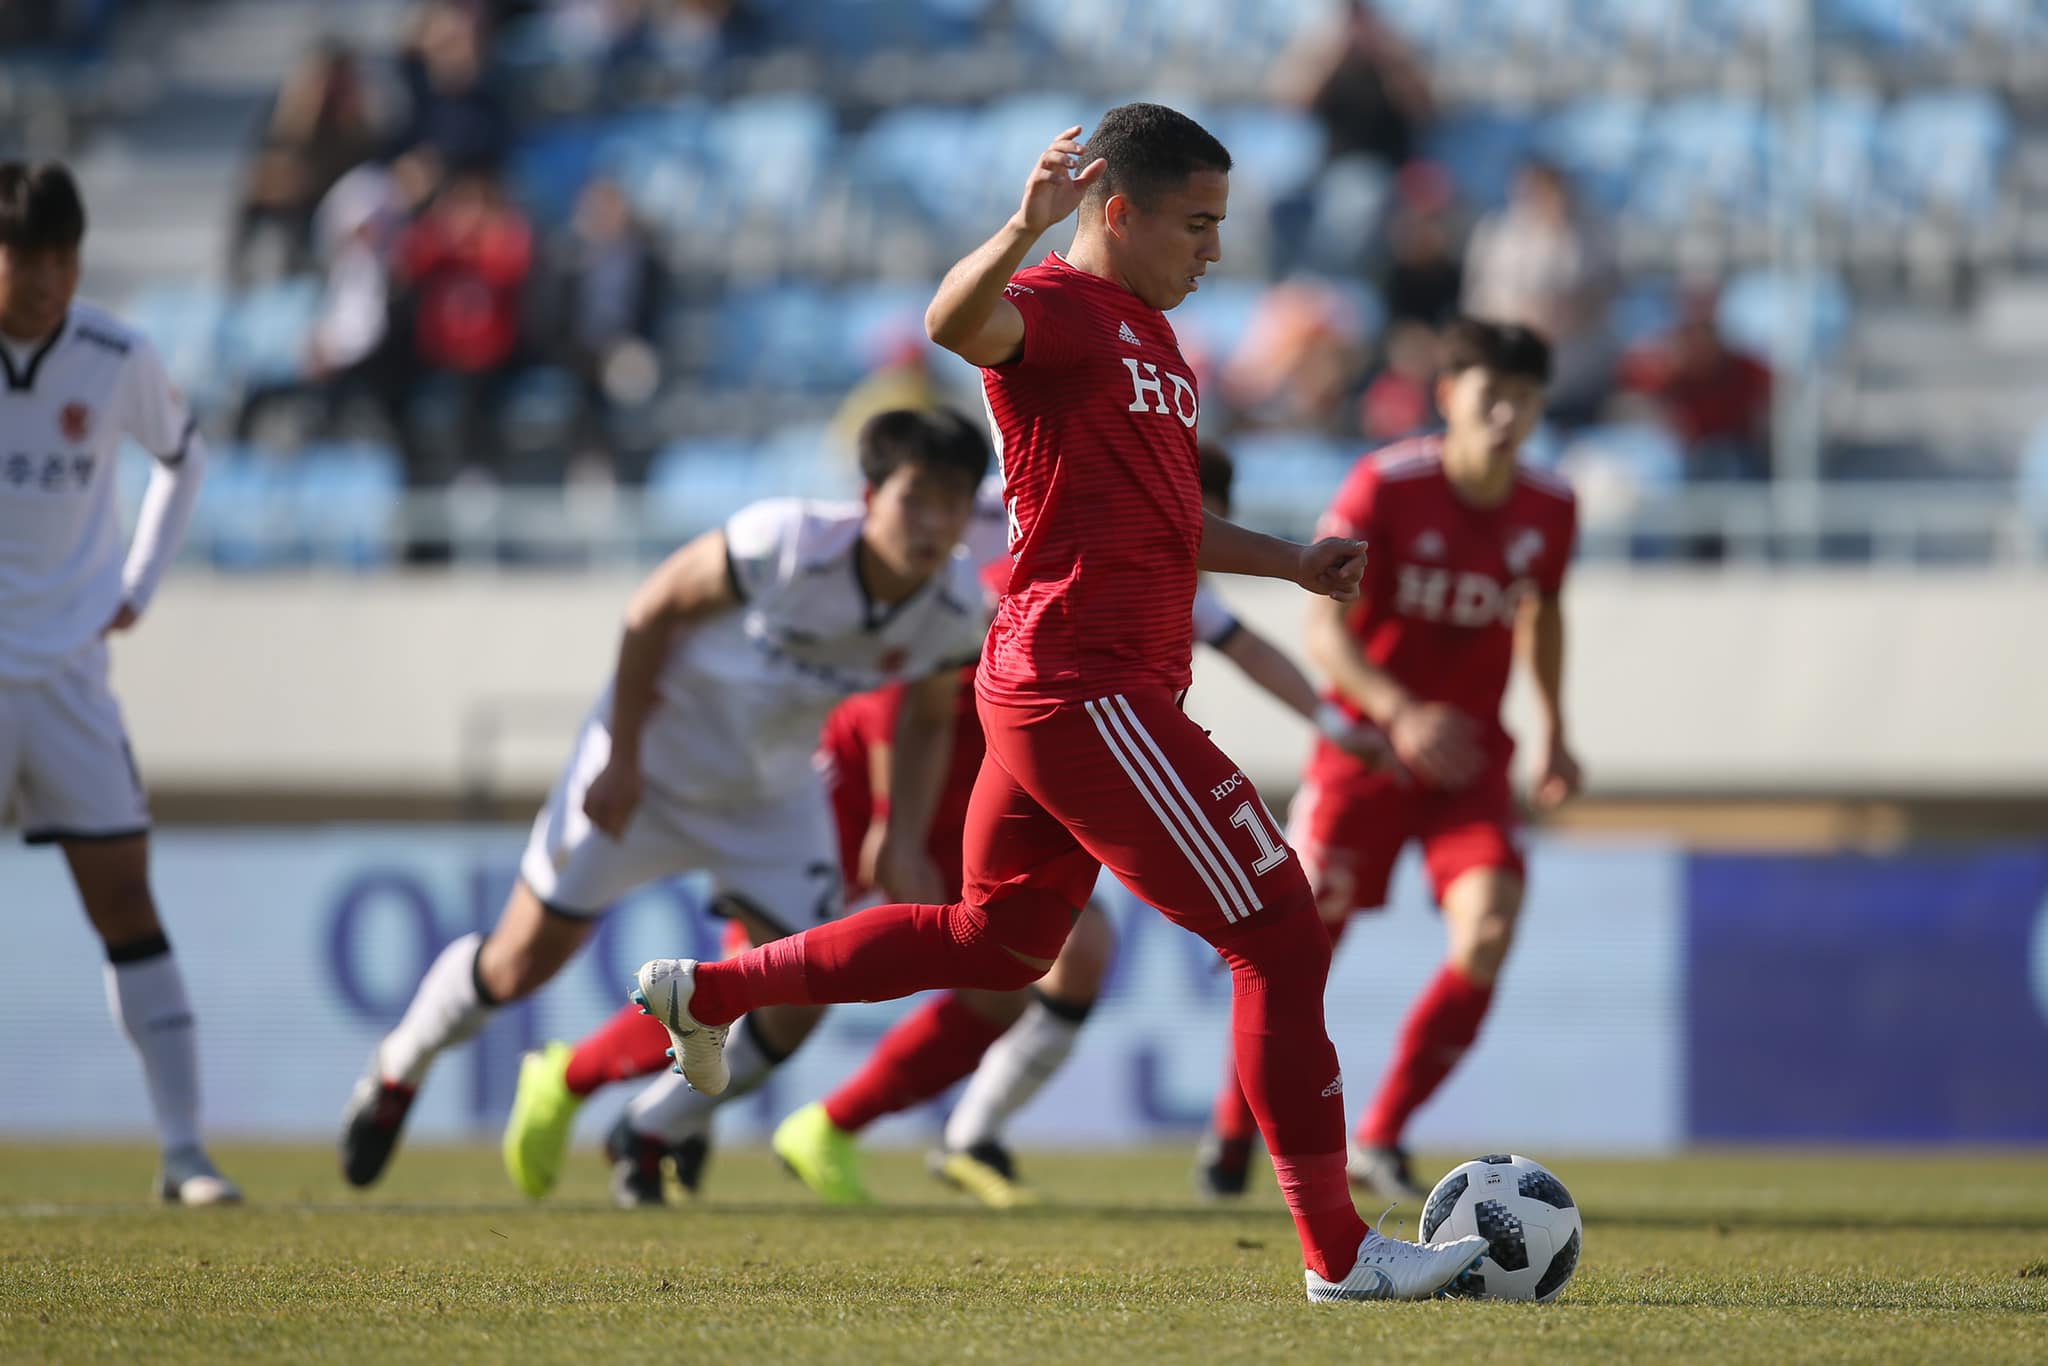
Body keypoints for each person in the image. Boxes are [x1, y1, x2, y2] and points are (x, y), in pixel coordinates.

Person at [626, 103, 1488, 1303]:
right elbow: (950, 322)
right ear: (1115, 211)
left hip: (1058, 688)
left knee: (997, 941)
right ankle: (1340, 1254)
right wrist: (1019, 224)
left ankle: (710, 991)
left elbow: (1165, 519)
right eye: (1196, 223)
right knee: (1278, 930)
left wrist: (1289, 561)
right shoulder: (1057, 306)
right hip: (1086, 686)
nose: (1214, 251)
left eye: (1221, 225)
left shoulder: (1152, 339)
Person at [338, 407, 994, 1189]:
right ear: (868, 495)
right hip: (648, 773)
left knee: (805, 992)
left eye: (954, 502)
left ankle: (650, 1127)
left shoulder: (955, 606)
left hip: (770, 798)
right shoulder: (783, 543)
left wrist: (902, 831)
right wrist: (618, 755)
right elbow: (650, 611)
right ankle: (398, 1066)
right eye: (916, 497)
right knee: (518, 966)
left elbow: (925, 719)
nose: (934, 523)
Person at [770, 443, 1396, 1210]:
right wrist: (892, 821)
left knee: (1032, 959)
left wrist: (1333, 721)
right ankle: (682, 1101)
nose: (1205, 549)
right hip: (916, 784)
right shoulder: (1039, 582)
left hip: (1002, 784)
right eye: (1199, 523)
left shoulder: (1161, 588)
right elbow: (919, 690)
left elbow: (1251, 650)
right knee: (820, 954)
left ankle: (913, 1127)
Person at [1199, 318, 1580, 1205]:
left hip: (1470, 762)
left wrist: (1557, 729)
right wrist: (1399, 710)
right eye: (1491, 396)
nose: (1507, 416)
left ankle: (1383, 1136)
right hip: (1366, 749)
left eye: (1524, 401)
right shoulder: (1386, 484)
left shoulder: (1552, 505)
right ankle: (1230, 1129)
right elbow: (1323, 626)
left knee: (1488, 929)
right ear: (1448, 397)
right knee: (1295, 954)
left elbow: (1545, 614)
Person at [0, 163, 231, 1204]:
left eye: (63, 257)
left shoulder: (114, 354)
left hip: (69, 682)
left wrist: (136, 582)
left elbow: (183, 459)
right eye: (26, 257)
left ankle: (185, 1151)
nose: (47, 279)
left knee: (127, 899)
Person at [1462, 161, 1617, 426]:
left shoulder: (1592, 235)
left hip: (1577, 373)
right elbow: (1478, 302)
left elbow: (1606, 294)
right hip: (1514, 371)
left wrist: (1573, 311)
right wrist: (1524, 318)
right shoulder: (1498, 235)